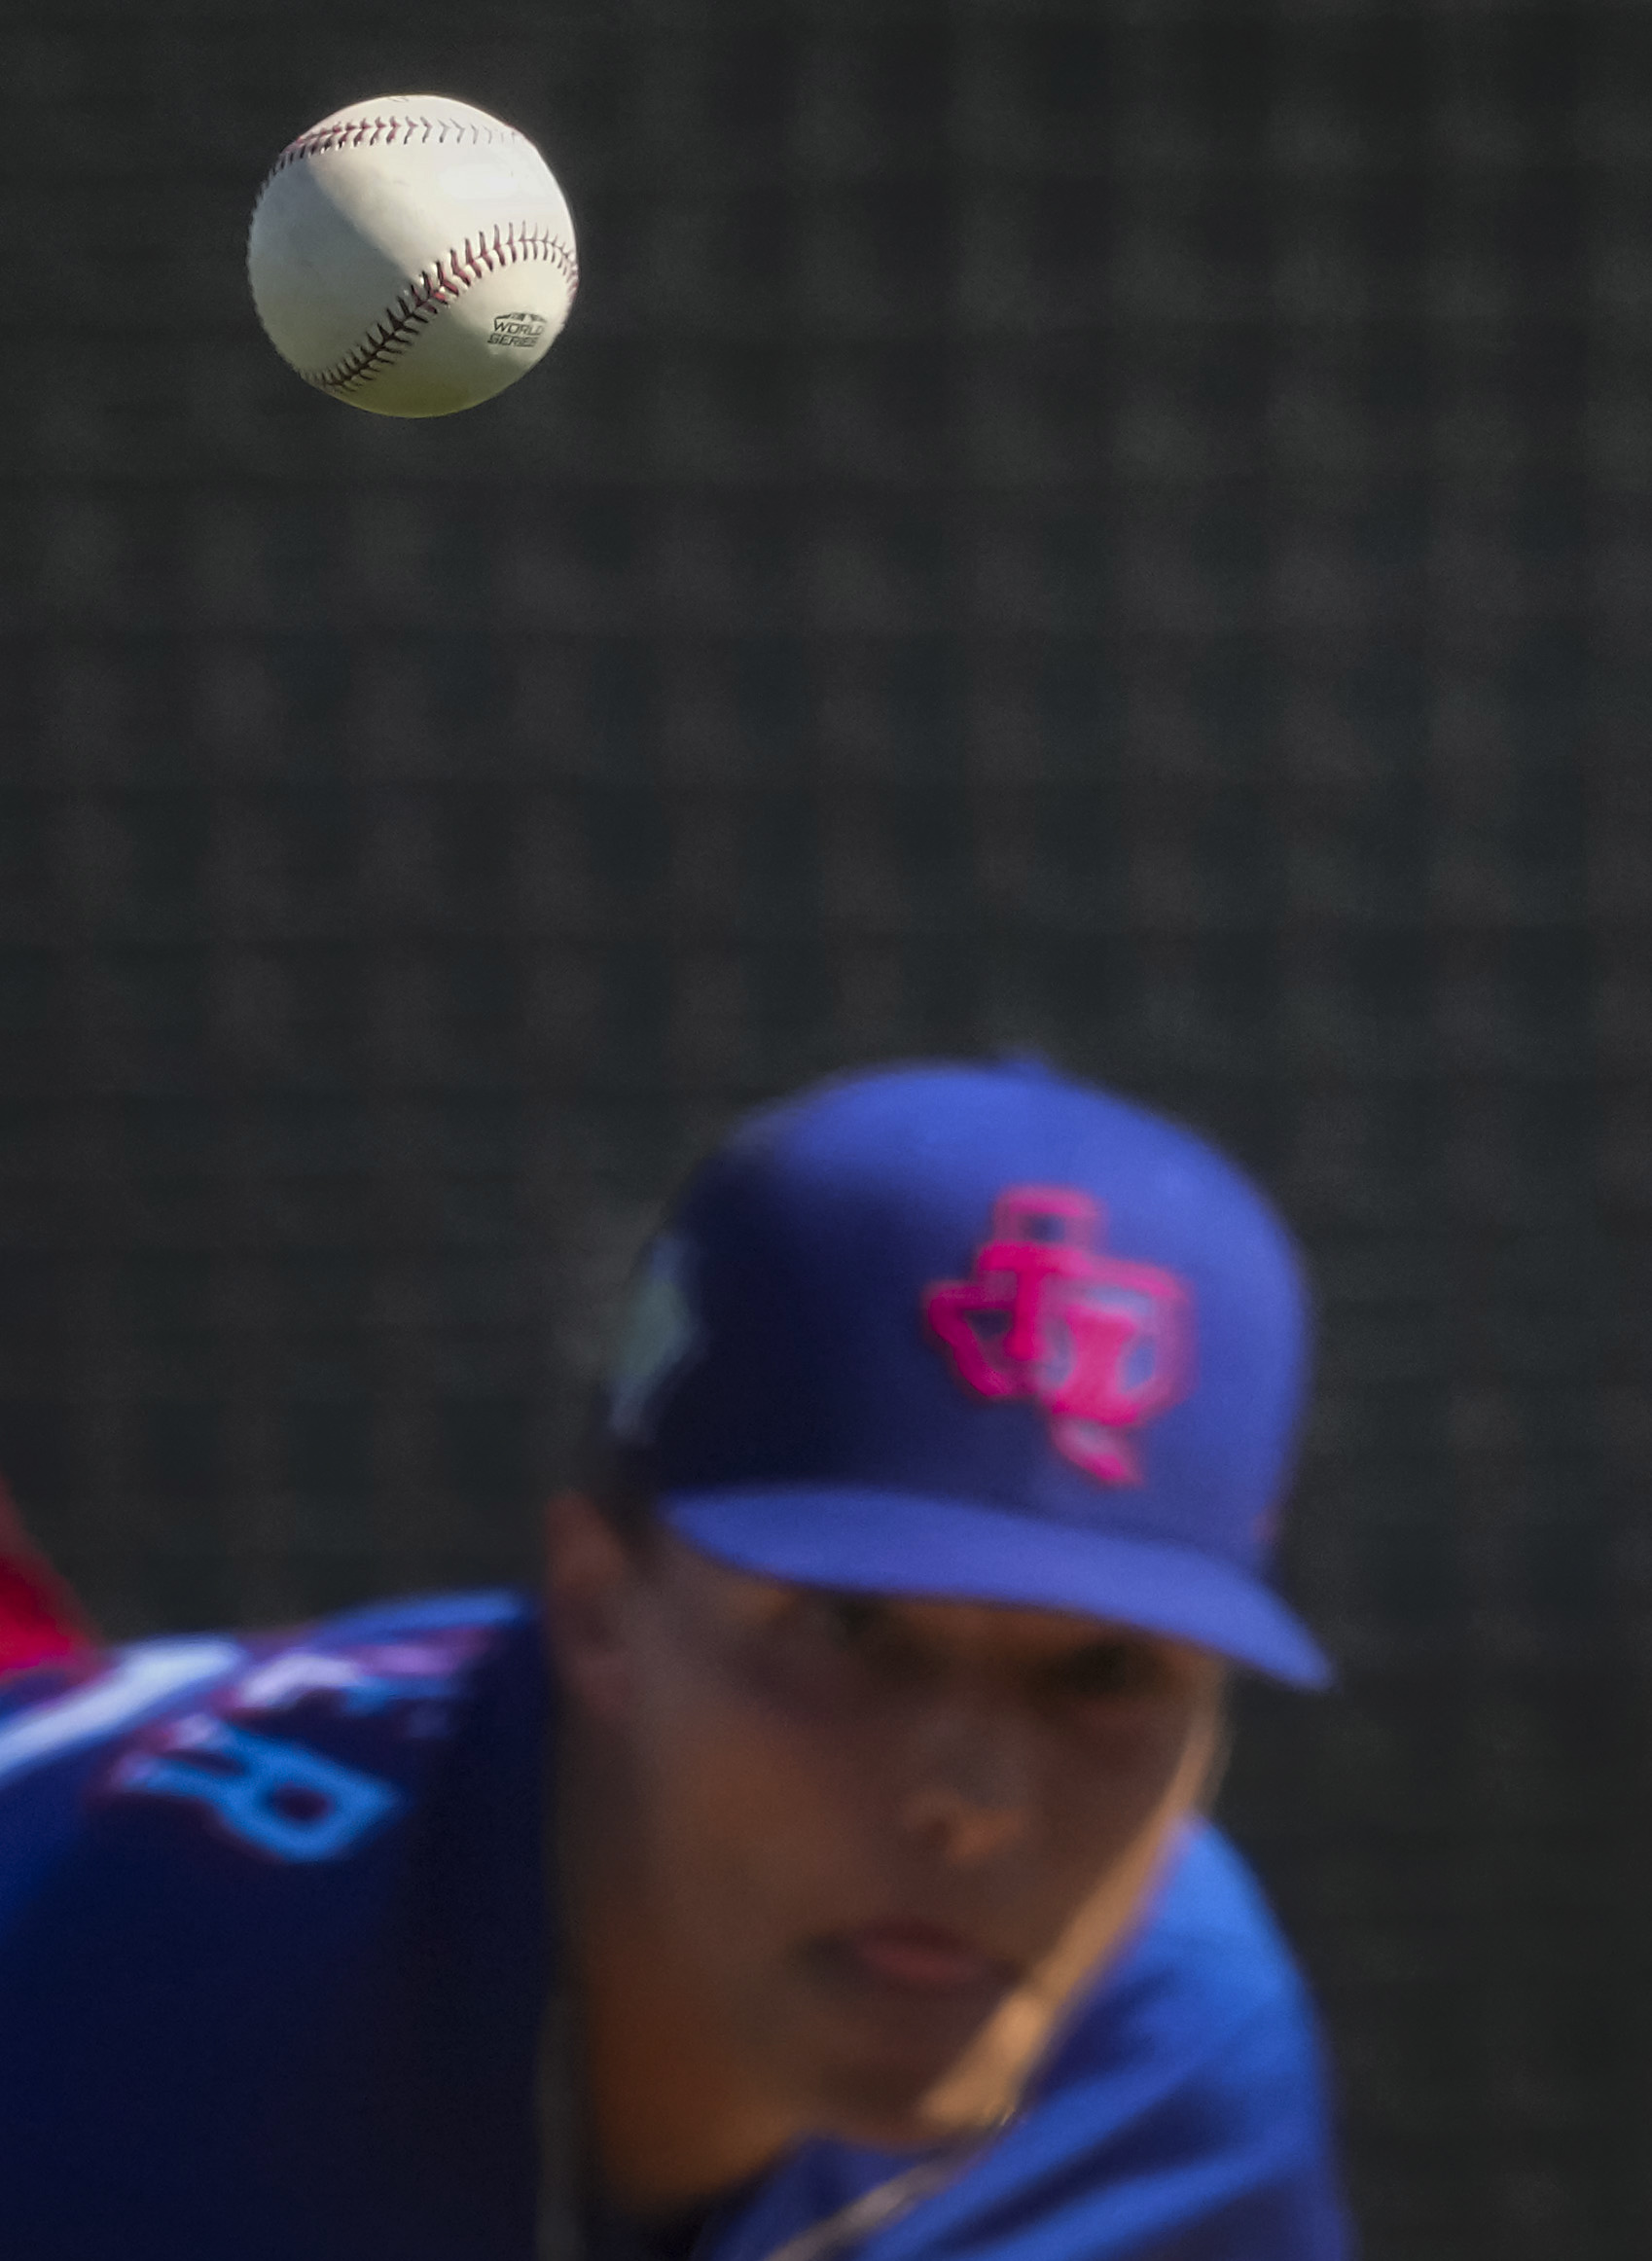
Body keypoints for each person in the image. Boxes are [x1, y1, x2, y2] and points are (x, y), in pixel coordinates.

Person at [0, 1057, 1352, 2261]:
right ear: (596, 1609)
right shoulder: (147, 2038)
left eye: (1106, 1674)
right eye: (850, 1632)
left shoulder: (1169, 2060)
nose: (977, 1800)